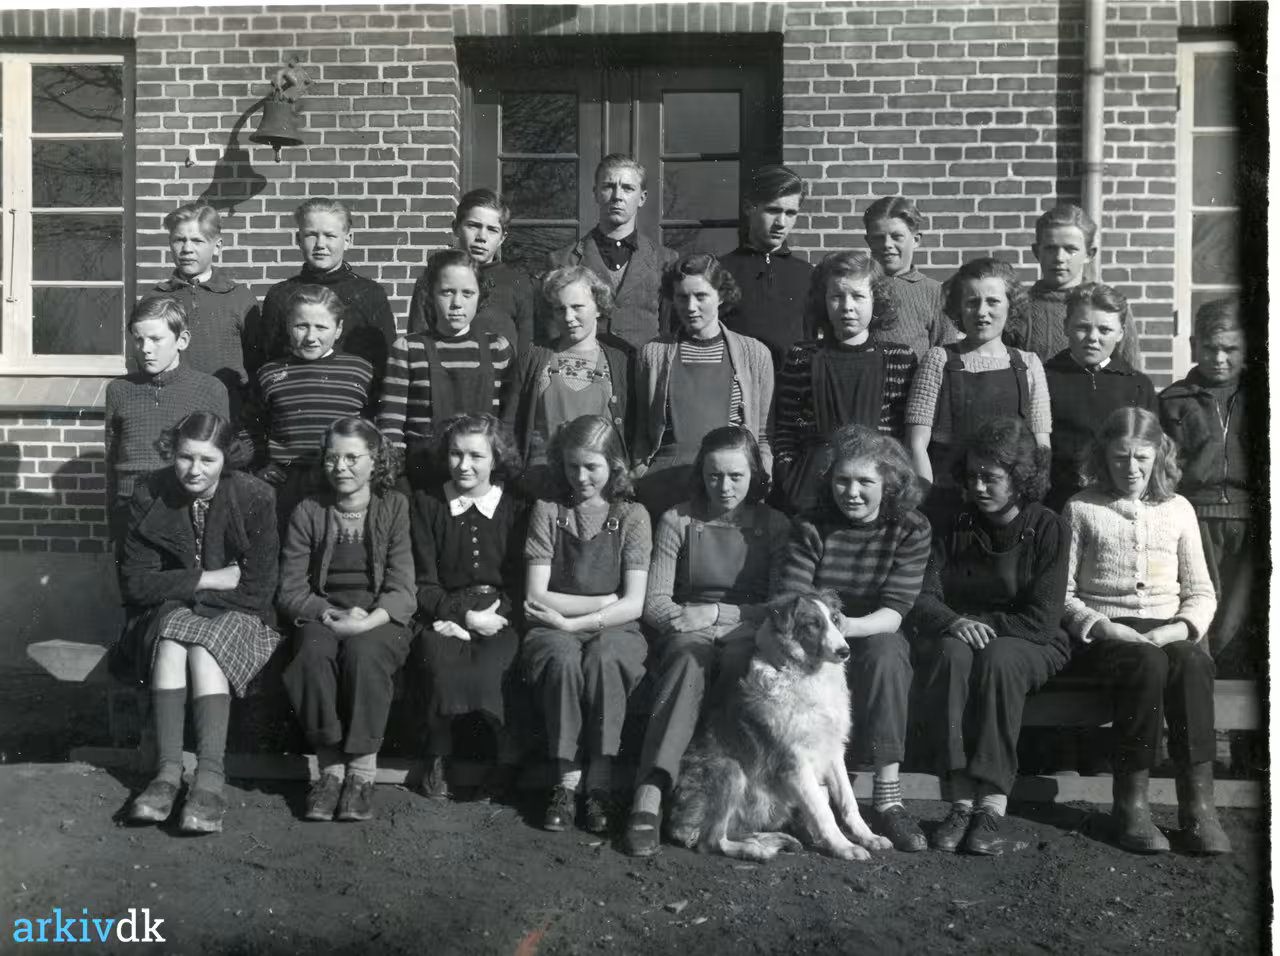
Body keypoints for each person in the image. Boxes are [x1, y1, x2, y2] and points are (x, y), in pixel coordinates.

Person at [1062, 407, 1227, 855]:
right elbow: (1064, 594)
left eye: (1141, 458)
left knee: (1194, 663)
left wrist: (1177, 630)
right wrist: (1101, 627)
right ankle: (1131, 805)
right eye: (1119, 458)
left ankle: (1199, 809)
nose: (1130, 469)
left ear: (1159, 456)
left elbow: (1201, 592)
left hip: (1167, 630)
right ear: (1102, 457)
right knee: (1147, 663)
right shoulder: (1081, 508)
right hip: (1107, 636)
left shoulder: (1178, 510)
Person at [621, 426, 790, 857]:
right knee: (687, 660)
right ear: (702, 474)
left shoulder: (775, 526)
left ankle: (731, 807)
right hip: (685, 630)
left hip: (746, 631)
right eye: (715, 476)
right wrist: (689, 622)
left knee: (740, 664)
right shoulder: (678, 519)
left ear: (755, 474)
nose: (725, 486)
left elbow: (779, 606)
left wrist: (718, 615)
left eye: (736, 476)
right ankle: (651, 793)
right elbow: (655, 602)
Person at [908, 419, 1069, 854]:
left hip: (1029, 641)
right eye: (973, 475)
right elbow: (924, 596)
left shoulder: (1048, 527)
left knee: (999, 658)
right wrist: (955, 623)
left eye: (991, 478)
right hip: (961, 633)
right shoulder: (951, 521)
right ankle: (960, 802)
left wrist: (983, 627)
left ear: (1020, 479)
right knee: (949, 653)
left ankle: (991, 807)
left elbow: (1042, 619)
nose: (978, 486)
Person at [116, 412, 280, 834]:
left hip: (240, 615)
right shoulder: (148, 494)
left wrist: (182, 591)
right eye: (186, 457)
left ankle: (208, 779)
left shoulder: (254, 497)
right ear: (173, 452)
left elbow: (257, 590)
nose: (194, 470)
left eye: (208, 460)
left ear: (226, 458)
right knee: (173, 641)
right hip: (165, 616)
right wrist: (208, 578)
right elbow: (135, 585)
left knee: (203, 646)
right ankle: (168, 775)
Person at [778, 424, 931, 852]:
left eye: (866, 481)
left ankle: (887, 797)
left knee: (886, 655)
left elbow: (895, 610)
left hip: (870, 628)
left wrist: (844, 629)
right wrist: (825, 634)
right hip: (813, 633)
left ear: (889, 484)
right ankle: (810, 799)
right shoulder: (811, 524)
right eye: (843, 480)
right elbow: (795, 596)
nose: (852, 492)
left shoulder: (911, 527)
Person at [279, 418, 414, 824]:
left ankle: (361, 775)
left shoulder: (394, 507)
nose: (341, 467)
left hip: (378, 619)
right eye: (332, 457)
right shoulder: (309, 511)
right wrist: (327, 613)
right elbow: (290, 589)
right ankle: (330, 772)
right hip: (324, 613)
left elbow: (403, 585)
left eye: (352, 457)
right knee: (312, 653)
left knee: (365, 654)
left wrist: (368, 620)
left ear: (375, 460)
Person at [521, 415, 651, 834]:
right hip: (551, 625)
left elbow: (633, 604)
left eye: (591, 466)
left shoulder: (633, 516)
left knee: (606, 660)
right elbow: (538, 594)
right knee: (560, 660)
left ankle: (599, 782)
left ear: (613, 465)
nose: (581, 477)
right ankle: (566, 781)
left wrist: (576, 621)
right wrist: (595, 604)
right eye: (572, 466)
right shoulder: (548, 511)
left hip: (613, 627)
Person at [408, 414, 528, 803]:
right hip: (443, 612)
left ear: (496, 458)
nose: (464, 465)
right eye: (456, 454)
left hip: (502, 612)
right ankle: (438, 754)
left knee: (495, 665)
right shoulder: (427, 504)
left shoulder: (514, 507)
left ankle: (506, 756)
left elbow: (521, 578)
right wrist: (461, 617)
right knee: (440, 659)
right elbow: (423, 581)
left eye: (476, 455)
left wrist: (494, 617)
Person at [1159, 298, 1261, 678]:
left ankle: (1244, 721)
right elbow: (1164, 469)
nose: (1219, 358)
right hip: (1194, 518)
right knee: (1201, 606)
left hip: (1251, 520)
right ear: (1192, 346)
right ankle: (1200, 704)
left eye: (1230, 349)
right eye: (1210, 348)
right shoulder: (1173, 401)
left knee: (1244, 613)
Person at [772, 251, 917, 515]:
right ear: (823, 301)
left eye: (858, 296)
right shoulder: (803, 356)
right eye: (836, 296)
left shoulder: (898, 358)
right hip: (811, 488)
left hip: (875, 488)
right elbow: (786, 429)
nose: (847, 306)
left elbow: (902, 435)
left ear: (876, 301)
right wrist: (788, 473)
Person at [632, 253, 774, 519]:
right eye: (682, 297)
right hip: (665, 483)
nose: (691, 307)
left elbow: (762, 435)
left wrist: (760, 479)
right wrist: (640, 472)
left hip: (727, 485)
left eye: (701, 296)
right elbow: (642, 431)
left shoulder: (755, 354)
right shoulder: (652, 354)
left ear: (720, 296)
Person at [904, 257, 1052, 490]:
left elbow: (1042, 446)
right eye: (972, 302)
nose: (982, 312)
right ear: (959, 308)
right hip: (950, 492)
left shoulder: (1029, 364)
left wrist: (1032, 496)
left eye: (993, 301)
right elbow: (916, 443)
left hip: (1010, 498)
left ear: (1010, 306)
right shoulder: (938, 360)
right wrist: (928, 497)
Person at [378, 250, 518, 492]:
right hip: (422, 476)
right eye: (447, 292)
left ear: (480, 297)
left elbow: (508, 420)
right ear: (431, 296)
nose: (456, 303)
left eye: (467, 293)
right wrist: (397, 478)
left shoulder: (498, 348)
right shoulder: (409, 349)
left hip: (482, 477)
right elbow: (391, 422)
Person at [105, 296, 230, 548]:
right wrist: (113, 516)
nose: (146, 349)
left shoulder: (210, 389)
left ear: (182, 340)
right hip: (129, 505)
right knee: (134, 583)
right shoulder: (119, 390)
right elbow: (111, 457)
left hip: (183, 506)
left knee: (180, 582)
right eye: (138, 339)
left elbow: (221, 461)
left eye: (156, 339)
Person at [256, 286, 375, 535]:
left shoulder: (360, 371)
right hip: (288, 481)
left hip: (343, 479)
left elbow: (373, 426)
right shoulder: (270, 373)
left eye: (321, 327)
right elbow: (251, 425)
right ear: (288, 326)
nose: (311, 337)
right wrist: (262, 464)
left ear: (338, 329)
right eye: (301, 326)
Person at [514, 266, 634, 495]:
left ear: (599, 307)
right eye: (560, 309)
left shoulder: (621, 361)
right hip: (541, 480)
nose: (569, 317)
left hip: (598, 485)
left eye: (577, 307)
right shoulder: (533, 357)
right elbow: (512, 422)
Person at [545, 154, 678, 350]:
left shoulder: (666, 260)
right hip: (586, 375)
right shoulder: (562, 260)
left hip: (645, 373)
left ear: (642, 198)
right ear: (595, 194)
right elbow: (553, 334)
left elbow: (670, 333)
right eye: (608, 186)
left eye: (628, 188)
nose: (617, 196)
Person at [1043, 282, 1156, 511]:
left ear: (1121, 333)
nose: (1092, 338)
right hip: (1058, 500)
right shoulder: (1044, 378)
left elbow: (1151, 449)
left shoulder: (1137, 385)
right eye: (1082, 327)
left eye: (1104, 330)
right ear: (1065, 326)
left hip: (1119, 502)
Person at [150, 203, 264, 426]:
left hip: (227, 417)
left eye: (197, 241)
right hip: (169, 417)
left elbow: (256, 367)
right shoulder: (154, 299)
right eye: (179, 240)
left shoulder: (240, 298)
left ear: (217, 246)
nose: (187, 249)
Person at [259, 198, 398, 383]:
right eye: (311, 235)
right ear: (298, 239)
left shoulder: (369, 294)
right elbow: (267, 361)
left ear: (348, 240)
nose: (320, 244)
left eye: (330, 235)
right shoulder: (280, 295)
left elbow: (386, 362)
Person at [408, 188, 536, 354]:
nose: (481, 237)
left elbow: (526, 354)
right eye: (473, 226)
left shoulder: (518, 284)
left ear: (502, 238)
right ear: (456, 228)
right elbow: (417, 348)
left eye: (492, 229)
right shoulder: (430, 281)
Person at [1013, 204, 1142, 365]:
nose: (1059, 258)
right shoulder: (1017, 308)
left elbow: (1133, 375)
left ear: (1089, 254)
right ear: (1036, 251)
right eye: (1051, 248)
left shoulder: (1110, 307)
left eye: (1070, 249)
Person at [718, 165, 813, 369]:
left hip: (792, 389)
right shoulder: (719, 270)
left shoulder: (808, 275)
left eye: (790, 213)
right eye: (773, 210)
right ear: (748, 208)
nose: (781, 222)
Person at [862, 196, 957, 359]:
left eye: (896, 236)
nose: (887, 244)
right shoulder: (857, 287)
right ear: (868, 241)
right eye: (878, 237)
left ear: (916, 240)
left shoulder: (935, 293)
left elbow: (945, 357)